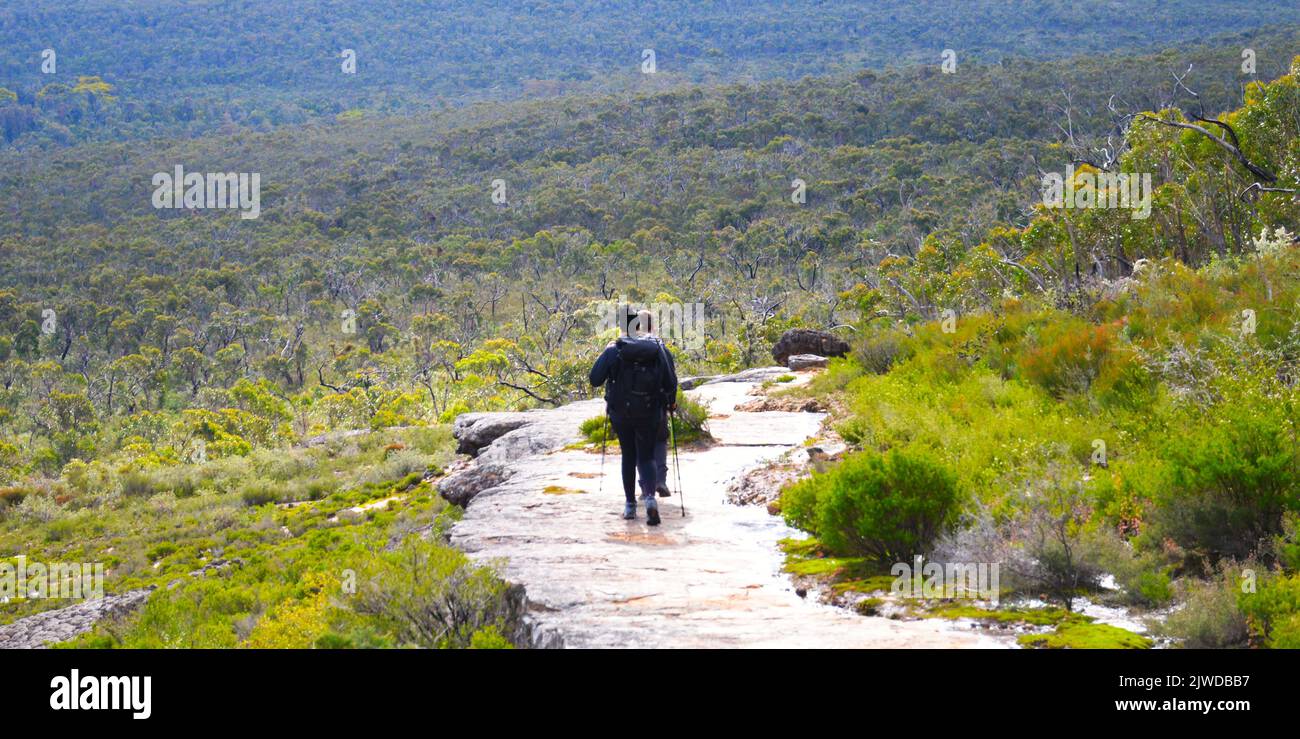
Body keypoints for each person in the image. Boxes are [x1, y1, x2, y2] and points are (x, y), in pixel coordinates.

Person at [589, 309, 678, 525]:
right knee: (646, 456)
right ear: (639, 325)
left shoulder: (614, 349)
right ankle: (649, 499)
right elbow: (670, 381)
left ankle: (630, 505)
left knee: (628, 455)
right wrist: (670, 402)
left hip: (621, 412)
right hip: (649, 411)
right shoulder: (657, 348)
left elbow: (594, 379)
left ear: (621, 326)